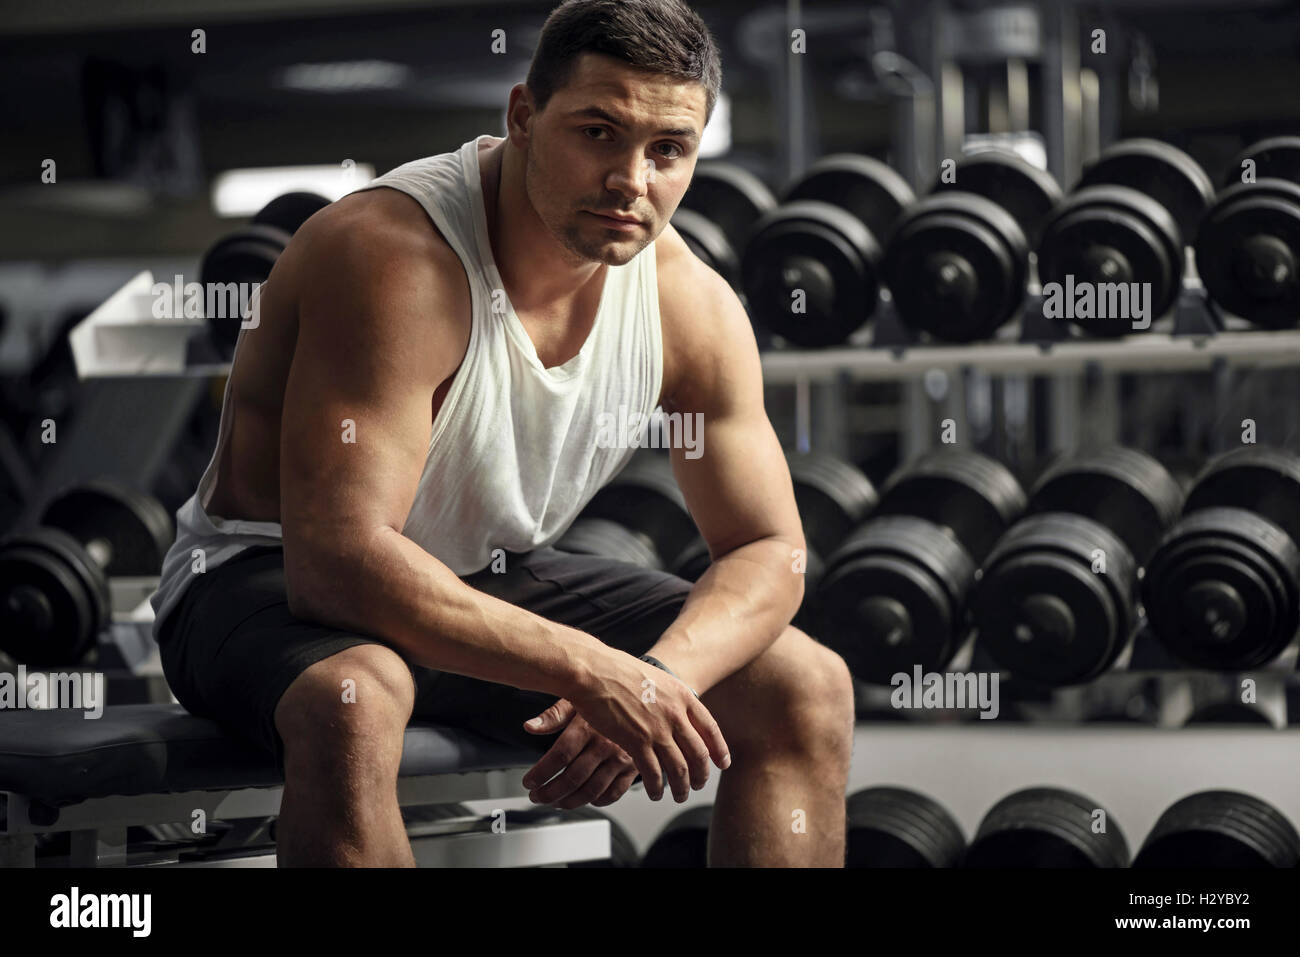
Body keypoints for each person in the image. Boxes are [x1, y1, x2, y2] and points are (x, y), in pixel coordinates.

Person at [149, 0, 854, 867]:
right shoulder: (395, 256)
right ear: (523, 116)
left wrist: (661, 674)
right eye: (599, 132)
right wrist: (592, 669)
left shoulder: (692, 305)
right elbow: (336, 561)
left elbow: (768, 546)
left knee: (803, 682)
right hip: (264, 579)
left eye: (668, 150)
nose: (633, 179)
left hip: (480, 580)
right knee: (354, 699)